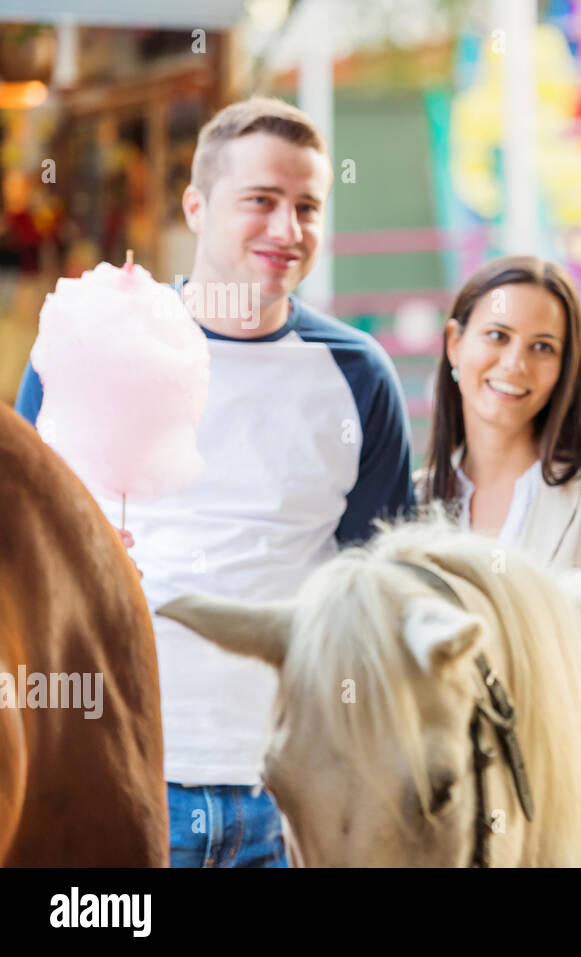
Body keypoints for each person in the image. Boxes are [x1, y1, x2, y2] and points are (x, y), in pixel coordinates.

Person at [15, 97, 415, 867]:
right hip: (115, 767)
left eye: (308, 206)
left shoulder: (359, 376)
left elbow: (376, 596)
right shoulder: (85, 347)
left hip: (289, 787)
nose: (287, 230)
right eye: (260, 200)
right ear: (195, 206)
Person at [418, 255, 581, 570]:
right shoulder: (411, 500)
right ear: (455, 343)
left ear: (565, 367)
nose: (516, 364)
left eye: (543, 347)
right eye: (497, 335)